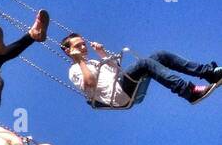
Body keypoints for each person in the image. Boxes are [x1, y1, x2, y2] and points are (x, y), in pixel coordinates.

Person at [60, 33, 220, 107]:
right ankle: (189, 92)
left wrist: (101, 53)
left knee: (160, 55)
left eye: (83, 44)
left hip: (122, 84)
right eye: (78, 45)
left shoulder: (94, 62)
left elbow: (117, 71)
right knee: (144, 63)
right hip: (117, 96)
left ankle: (208, 73)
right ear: (68, 51)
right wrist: (79, 60)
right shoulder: (74, 70)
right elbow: (90, 83)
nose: (83, 47)